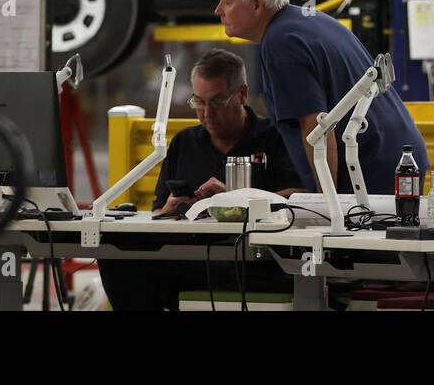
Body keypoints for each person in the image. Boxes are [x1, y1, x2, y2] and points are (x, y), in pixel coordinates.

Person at [99, 48, 302, 310]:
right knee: (113, 252)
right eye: (199, 102)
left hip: (258, 262)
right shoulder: (184, 143)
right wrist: (167, 211)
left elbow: (299, 197)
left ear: (241, 94)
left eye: (217, 102)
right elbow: (158, 211)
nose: (207, 113)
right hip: (192, 258)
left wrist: (236, 198)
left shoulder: (274, 138)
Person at [214, 0, 430, 195]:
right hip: (399, 154)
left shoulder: (281, 43)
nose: (218, 10)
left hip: (371, 164)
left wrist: (326, 202)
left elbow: (317, 127)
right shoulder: (309, 20)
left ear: (256, 4)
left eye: (226, 1)